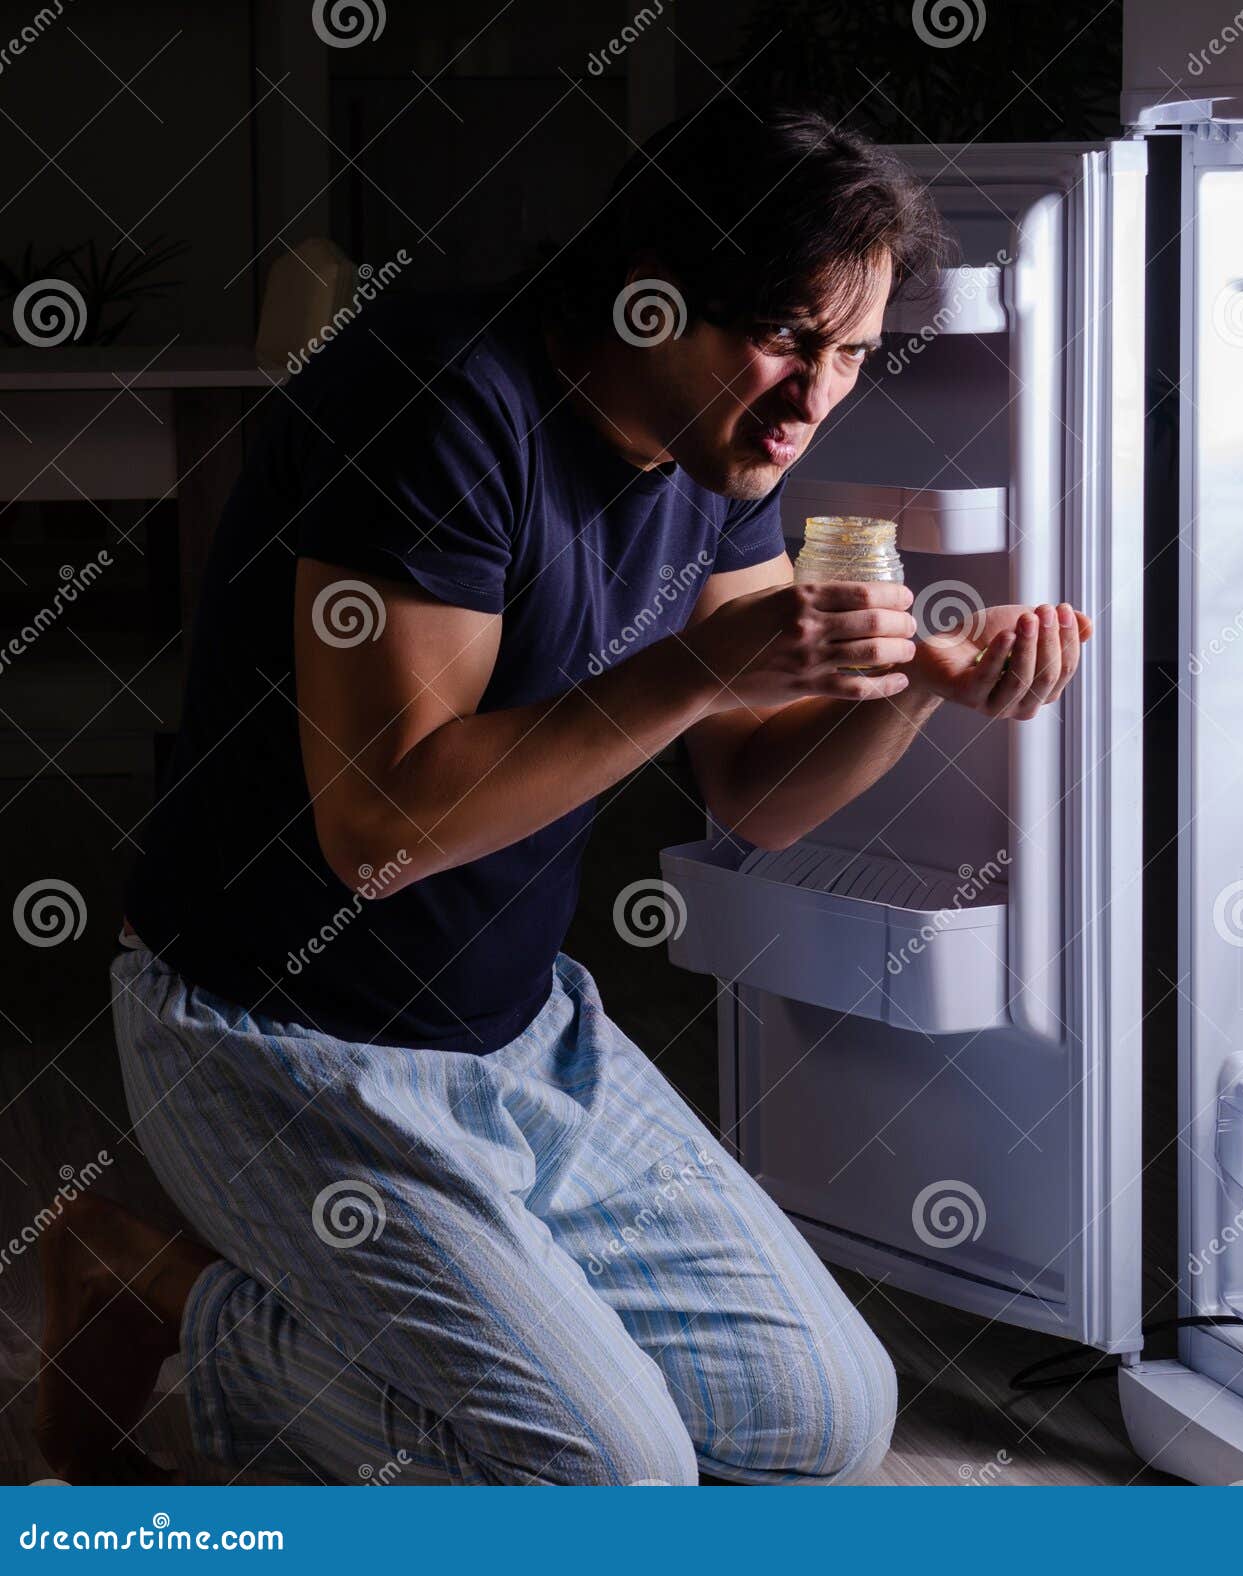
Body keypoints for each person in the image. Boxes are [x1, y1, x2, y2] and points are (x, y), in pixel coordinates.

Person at [37, 104, 1091, 1486]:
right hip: (272, 1031)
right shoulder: (436, 407)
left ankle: (356, 1313)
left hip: (525, 1037)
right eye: (783, 336)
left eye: (846, 354)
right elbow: (379, 830)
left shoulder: (729, 453)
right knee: (600, 1480)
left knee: (825, 1420)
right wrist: (703, 664)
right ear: (649, 291)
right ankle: (165, 1300)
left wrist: (911, 692)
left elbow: (759, 798)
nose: (813, 399)